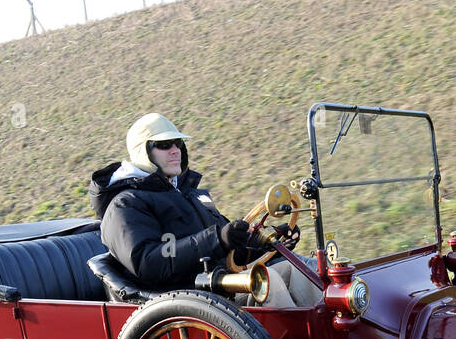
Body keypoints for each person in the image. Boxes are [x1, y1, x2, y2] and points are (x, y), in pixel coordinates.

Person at [88, 113, 319, 307]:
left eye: (178, 144)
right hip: (188, 301)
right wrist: (217, 238)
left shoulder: (189, 193)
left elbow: (229, 253)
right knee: (270, 282)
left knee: (303, 269)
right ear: (143, 151)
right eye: (164, 145)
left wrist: (266, 242)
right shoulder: (126, 205)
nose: (175, 151)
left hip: (221, 284)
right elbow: (149, 262)